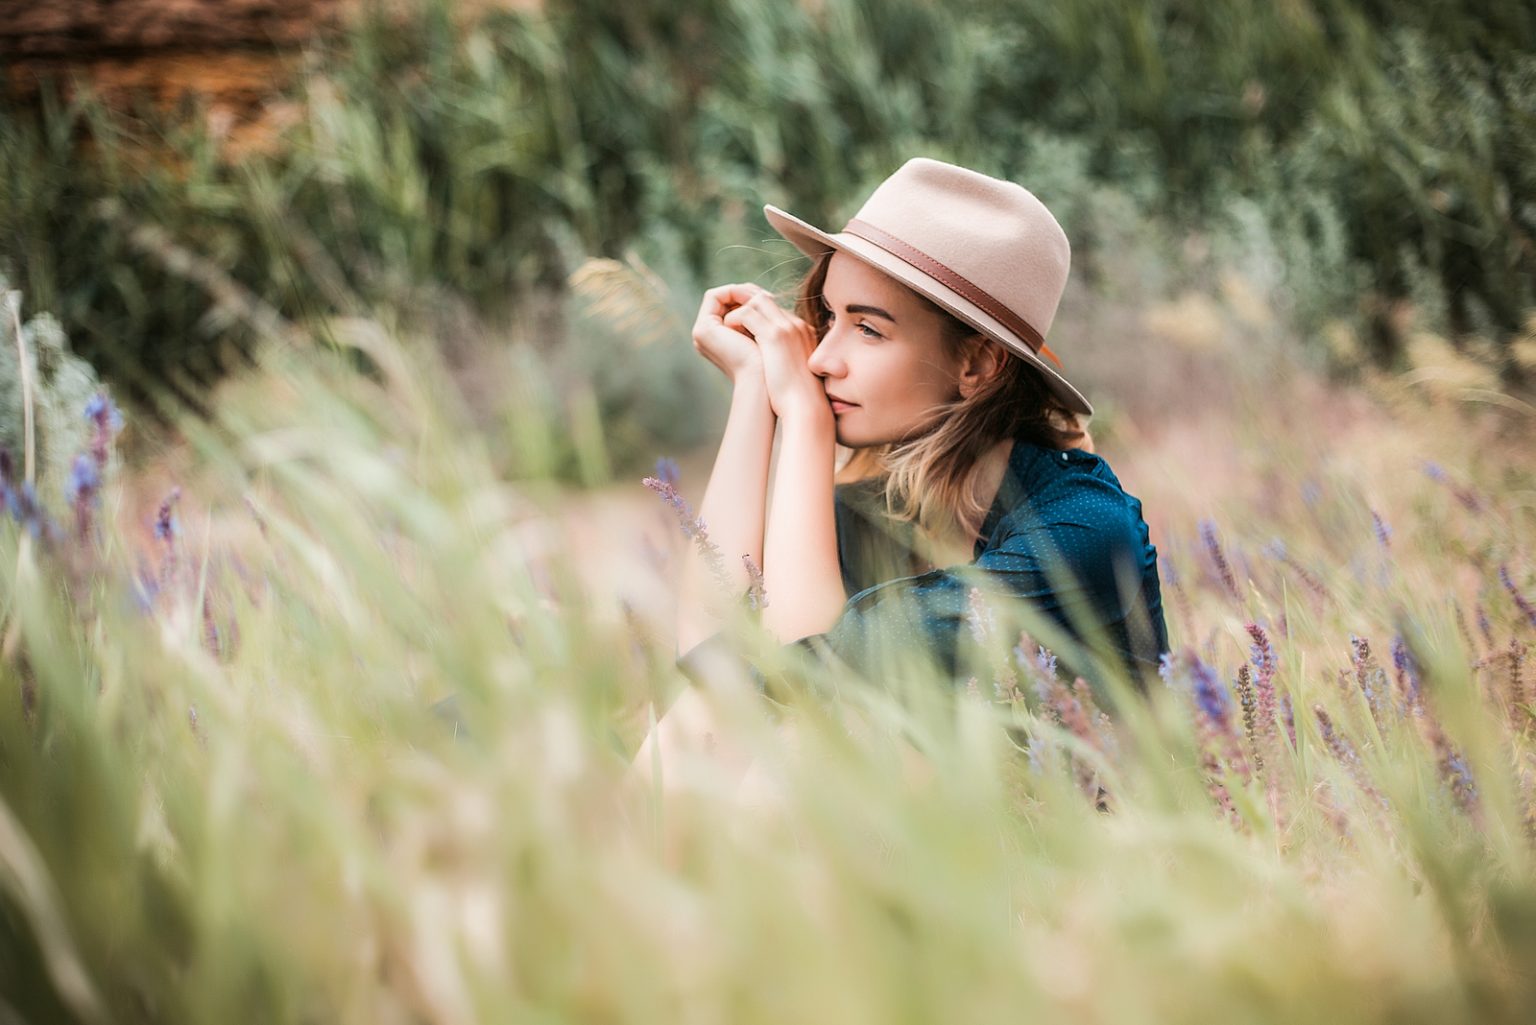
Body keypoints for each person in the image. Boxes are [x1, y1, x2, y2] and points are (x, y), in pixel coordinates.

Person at [643, 158, 1166, 787]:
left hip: (1068, 865)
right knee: (706, 719)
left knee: (808, 749)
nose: (824, 358)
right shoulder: (881, 511)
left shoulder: (1079, 532)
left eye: (867, 328)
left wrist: (805, 421)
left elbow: (810, 689)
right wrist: (755, 390)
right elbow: (709, 654)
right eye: (829, 319)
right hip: (909, 845)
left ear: (977, 364)